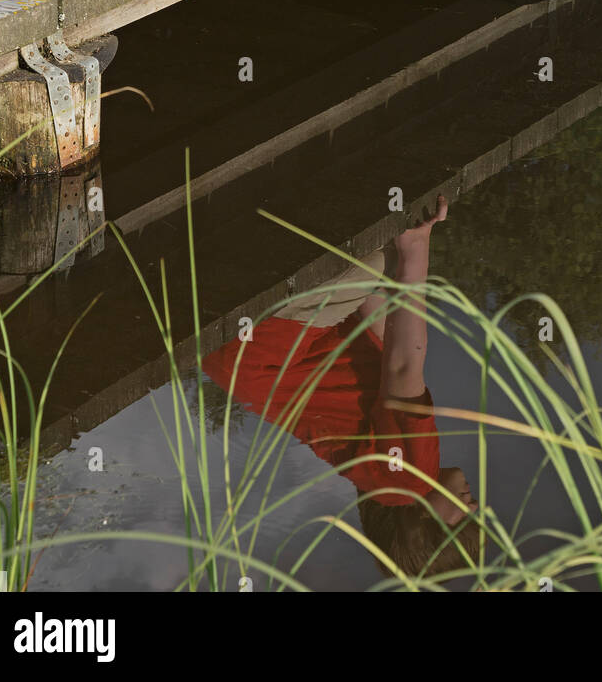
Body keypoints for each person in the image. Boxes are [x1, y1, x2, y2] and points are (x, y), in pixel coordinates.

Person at [202, 197, 481, 581]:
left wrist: (416, 242)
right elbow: (381, 318)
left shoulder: (408, 480)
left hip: (261, 346)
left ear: (423, 524)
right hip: (241, 353)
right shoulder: (383, 478)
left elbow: (404, 365)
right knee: (385, 248)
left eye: (461, 523)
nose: (475, 507)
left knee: (386, 241)